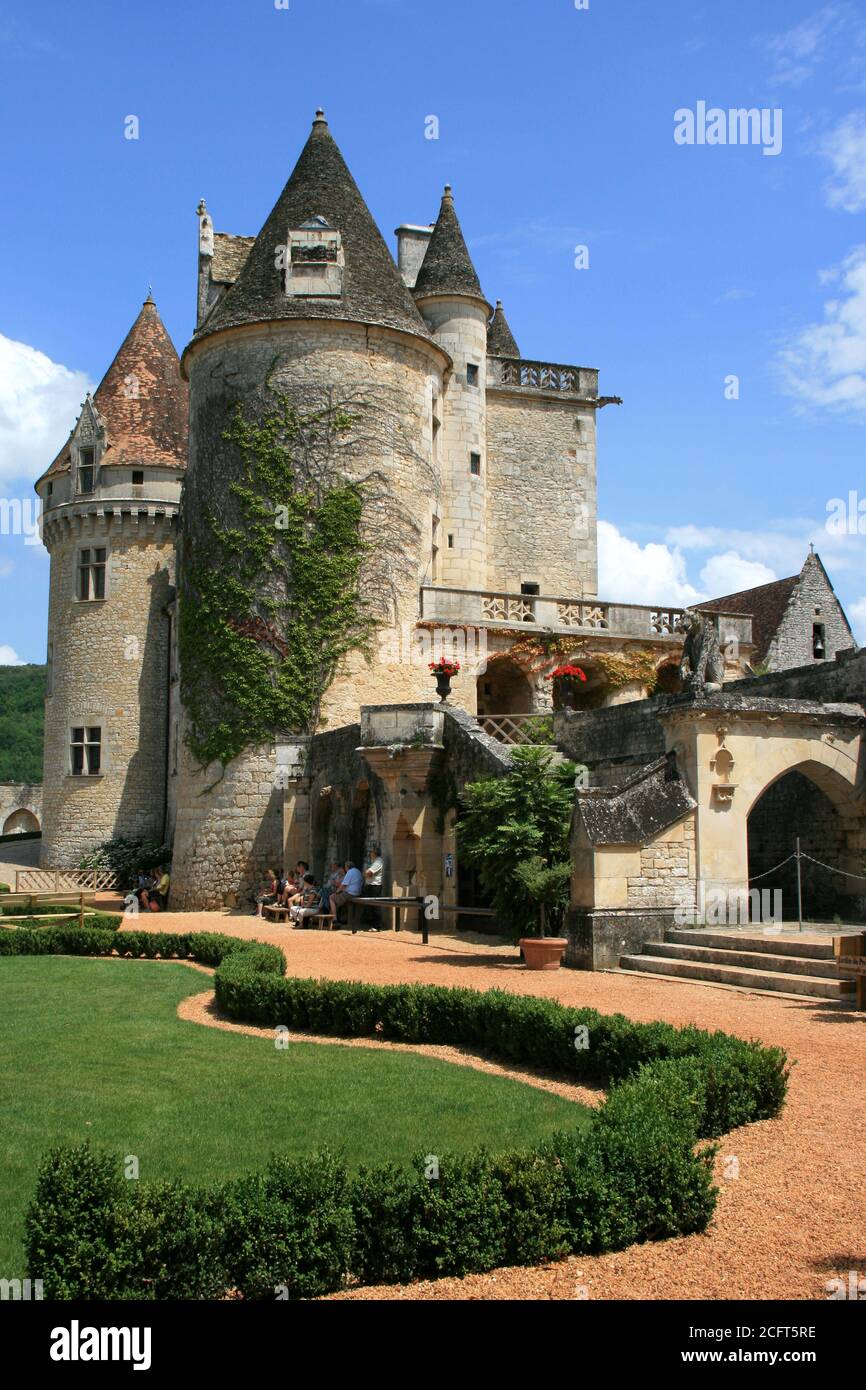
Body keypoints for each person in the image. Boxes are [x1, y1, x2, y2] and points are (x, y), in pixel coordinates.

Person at [361, 846, 384, 931]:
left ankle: (377, 926)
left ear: (374, 853)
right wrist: (365, 873)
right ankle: (373, 925)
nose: (370, 854)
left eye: (371, 852)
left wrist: (365, 873)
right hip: (371, 885)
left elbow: (369, 873)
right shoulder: (374, 861)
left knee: (375, 905)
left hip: (375, 886)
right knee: (371, 905)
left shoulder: (378, 861)